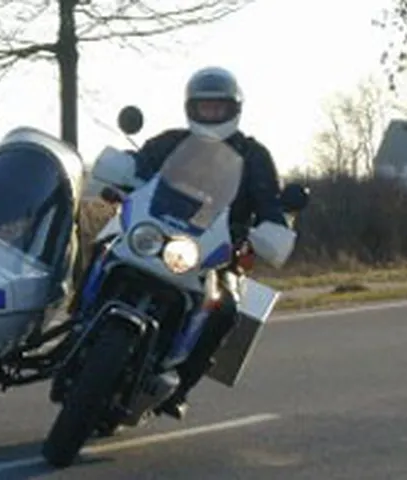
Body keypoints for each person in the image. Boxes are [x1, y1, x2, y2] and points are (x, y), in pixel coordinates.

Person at [69, 66, 289, 420]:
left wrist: (271, 229)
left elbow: (269, 203)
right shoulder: (170, 143)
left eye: (218, 107)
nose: (211, 113)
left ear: (233, 108)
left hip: (215, 253)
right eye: (204, 106)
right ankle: (76, 319)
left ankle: (181, 387)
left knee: (226, 309)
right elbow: (139, 166)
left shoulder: (254, 157)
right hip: (154, 233)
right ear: (191, 107)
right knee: (103, 249)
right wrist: (121, 170)